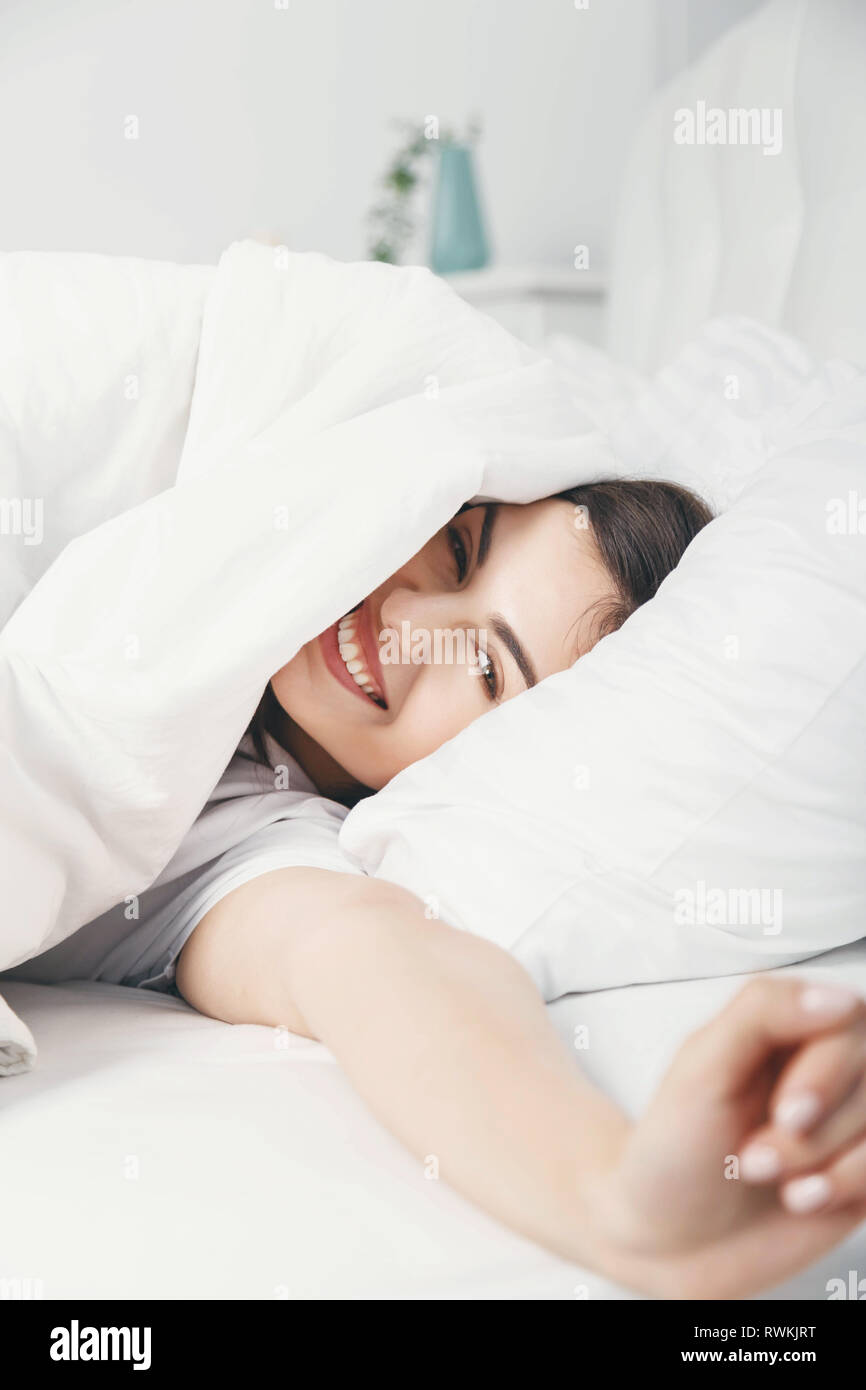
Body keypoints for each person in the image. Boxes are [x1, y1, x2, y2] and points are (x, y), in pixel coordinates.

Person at [5, 479, 865, 1296]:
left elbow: (368, 955)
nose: (409, 622)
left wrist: (615, 1200)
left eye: (488, 671)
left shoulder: (252, 844)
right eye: (457, 549)